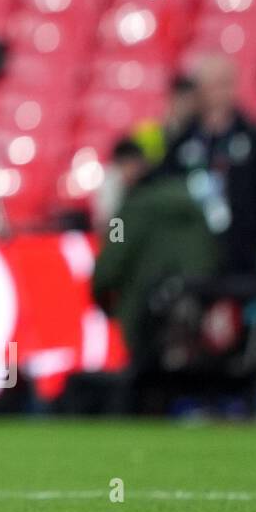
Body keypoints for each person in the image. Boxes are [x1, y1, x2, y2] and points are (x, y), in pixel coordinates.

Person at [159, 53, 256, 412]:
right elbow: (163, 197)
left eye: (223, 84)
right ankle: (197, 400)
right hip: (198, 260)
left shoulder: (255, 141)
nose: (218, 92)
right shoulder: (183, 144)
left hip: (245, 255)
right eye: (210, 85)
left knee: (255, 327)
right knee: (198, 332)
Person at [92, 137, 217, 414]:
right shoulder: (190, 200)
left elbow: (110, 265)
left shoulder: (133, 208)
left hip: (145, 308)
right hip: (197, 299)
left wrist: (101, 299)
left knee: (146, 377)